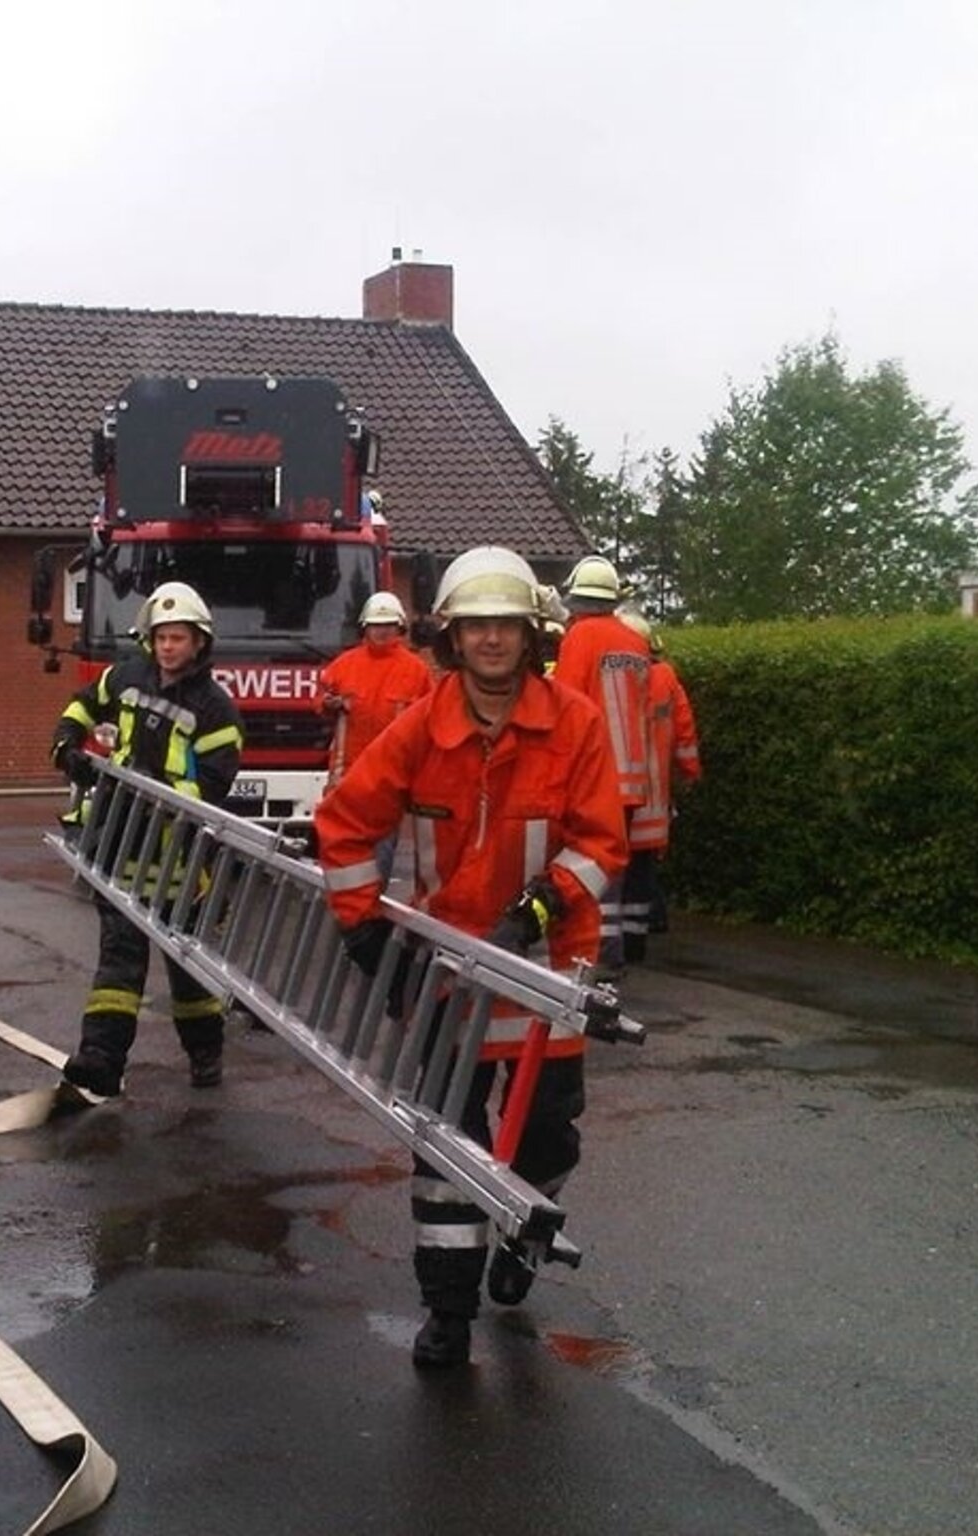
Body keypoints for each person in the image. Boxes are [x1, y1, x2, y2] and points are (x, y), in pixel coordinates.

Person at [313, 546, 628, 1369]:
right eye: (477, 625)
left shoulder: (575, 724)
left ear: (531, 635)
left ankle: (523, 1237)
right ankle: (448, 1310)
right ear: (453, 637)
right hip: (447, 973)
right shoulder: (422, 726)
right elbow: (343, 824)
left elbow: (603, 841)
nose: (492, 639)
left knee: (548, 1138)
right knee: (447, 1145)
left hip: (548, 973)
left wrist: (543, 903)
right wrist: (365, 933)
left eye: (507, 625)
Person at [50, 580, 246, 1096]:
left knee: (187, 971)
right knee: (119, 960)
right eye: (160, 637)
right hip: (120, 846)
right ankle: (101, 1060)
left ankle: (205, 1053)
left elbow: (216, 782)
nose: (167, 647)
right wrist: (68, 745)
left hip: (180, 859)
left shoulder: (215, 708)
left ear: (198, 642)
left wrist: (157, 790)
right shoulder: (127, 676)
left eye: (177, 638)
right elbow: (82, 705)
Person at [549, 555, 653, 979]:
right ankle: (614, 950)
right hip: (633, 777)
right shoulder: (636, 642)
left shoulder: (579, 637)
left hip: (595, 773)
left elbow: (565, 705)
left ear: (577, 599)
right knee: (616, 865)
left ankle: (600, 954)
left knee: (589, 864)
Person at [317, 590, 432, 878]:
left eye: (388, 625)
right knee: (341, 856)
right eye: (376, 625)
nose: (382, 631)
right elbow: (319, 701)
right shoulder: (344, 665)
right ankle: (342, 904)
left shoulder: (415, 671)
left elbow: (432, 719)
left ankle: (369, 904)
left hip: (388, 783)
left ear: (400, 627)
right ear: (365, 628)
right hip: (346, 781)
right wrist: (328, 703)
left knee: (379, 859)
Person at [617, 608, 702, 960]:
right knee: (642, 871)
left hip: (617, 796)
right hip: (655, 801)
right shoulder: (666, 678)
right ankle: (637, 938)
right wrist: (690, 772)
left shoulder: (615, 681)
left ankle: (614, 943)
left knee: (615, 873)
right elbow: (685, 733)